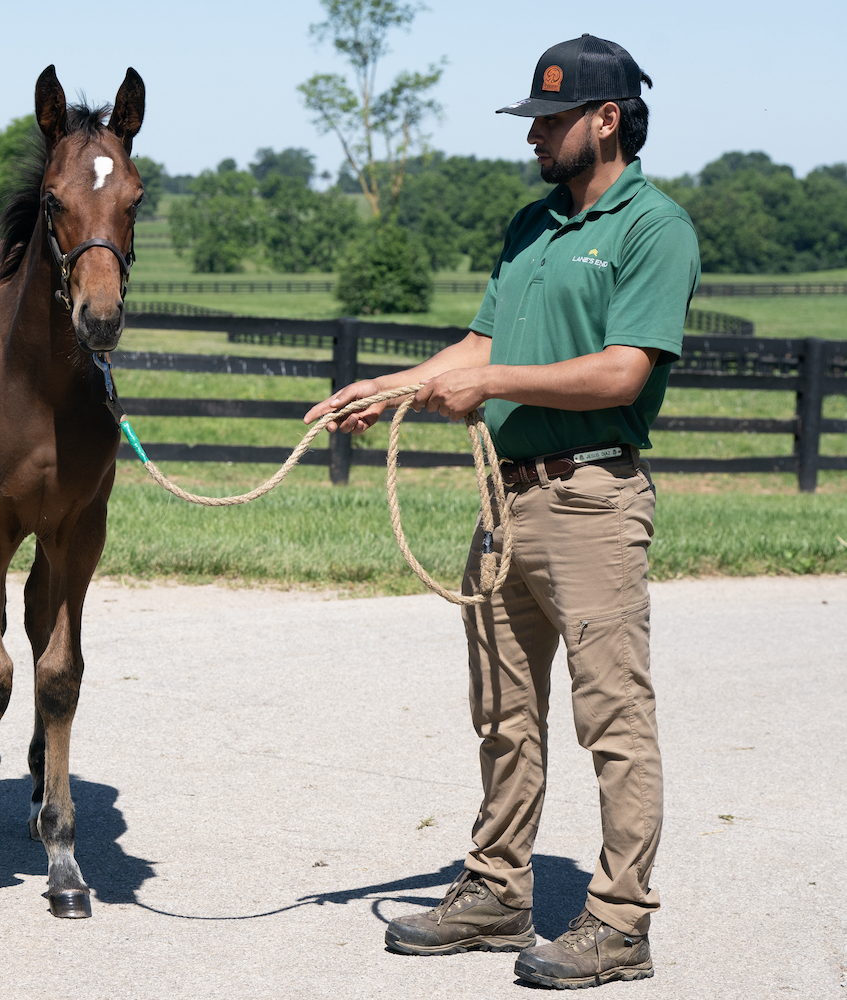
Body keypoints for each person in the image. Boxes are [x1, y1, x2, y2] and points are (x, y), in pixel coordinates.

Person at [306, 34, 699, 989]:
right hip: (506, 498)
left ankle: (620, 920)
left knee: (612, 717)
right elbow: (481, 341)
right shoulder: (532, 225)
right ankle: (496, 890)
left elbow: (623, 368)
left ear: (606, 121)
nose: (535, 136)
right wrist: (391, 389)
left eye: (551, 120)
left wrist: (491, 384)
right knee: (503, 715)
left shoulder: (655, 229)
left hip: (593, 498)